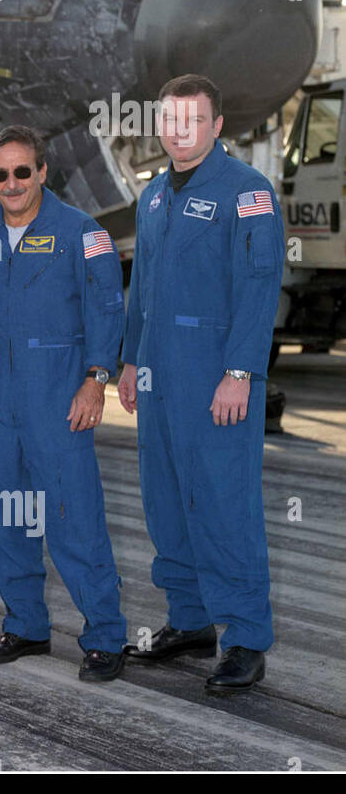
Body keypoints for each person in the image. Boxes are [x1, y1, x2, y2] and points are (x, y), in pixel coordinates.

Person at [118, 74, 284, 694]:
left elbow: (258, 289)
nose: (179, 132)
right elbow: (144, 291)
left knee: (223, 505)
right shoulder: (154, 196)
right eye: (170, 121)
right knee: (164, 500)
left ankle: (243, 635)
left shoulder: (249, 194)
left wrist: (240, 373)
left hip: (216, 375)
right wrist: (130, 361)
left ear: (217, 127)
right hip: (160, 377)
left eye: (193, 121)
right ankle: (189, 620)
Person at [0, 125, 128, 682]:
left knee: (73, 518)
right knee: (3, 515)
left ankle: (104, 636)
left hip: (57, 394)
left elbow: (108, 308)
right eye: (0, 174)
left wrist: (97, 378)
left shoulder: (81, 232)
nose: (12, 183)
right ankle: (25, 625)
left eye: (23, 171)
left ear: (42, 172)